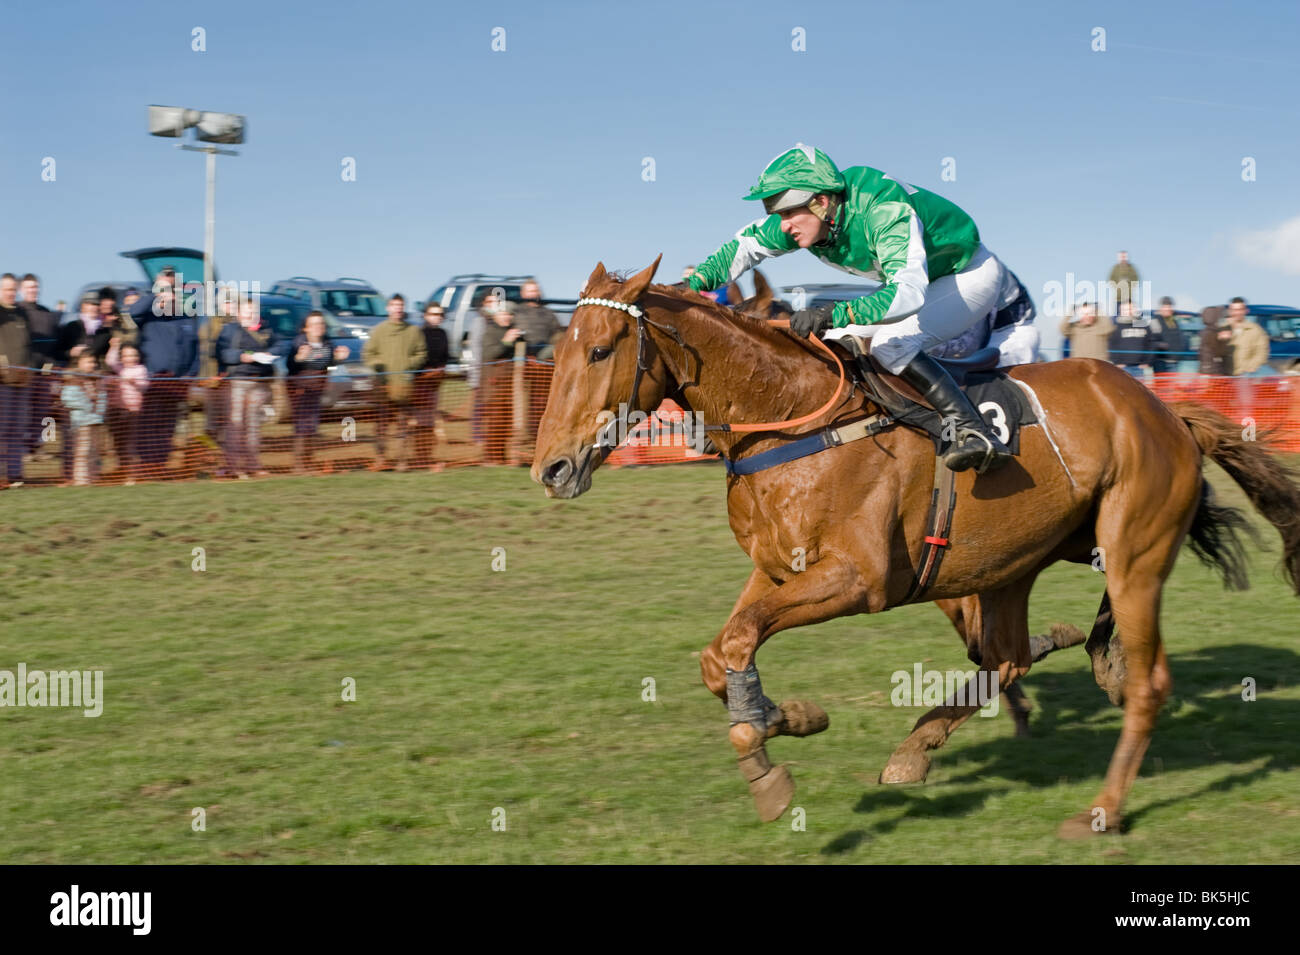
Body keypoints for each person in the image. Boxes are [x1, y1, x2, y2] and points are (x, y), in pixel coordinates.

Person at [686, 144, 1018, 472]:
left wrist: (833, 313)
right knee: (832, 345)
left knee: (892, 343)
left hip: (968, 275)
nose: (783, 225)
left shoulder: (881, 207)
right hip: (924, 280)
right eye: (777, 215)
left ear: (821, 201)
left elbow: (907, 293)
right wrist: (692, 286)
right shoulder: (811, 214)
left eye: (787, 213)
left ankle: (971, 431)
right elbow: (743, 247)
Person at [131, 277, 199, 472]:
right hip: (153, 381)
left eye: (174, 293)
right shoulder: (149, 315)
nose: (171, 297)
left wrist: (191, 374)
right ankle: (146, 464)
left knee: (167, 425)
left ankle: (160, 463)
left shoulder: (187, 318)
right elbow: (132, 312)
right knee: (148, 424)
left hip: (177, 383)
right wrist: (155, 295)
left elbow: (195, 349)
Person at [217, 296, 284, 478]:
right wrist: (242, 356)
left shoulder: (266, 329)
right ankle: (234, 466)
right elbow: (222, 353)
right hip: (237, 383)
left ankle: (253, 465)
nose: (252, 315)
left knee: (253, 426)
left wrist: (270, 353)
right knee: (235, 425)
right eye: (248, 312)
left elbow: (280, 345)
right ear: (239, 313)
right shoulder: (229, 330)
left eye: (254, 311)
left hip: (259, 383)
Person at [362, 294, 426, 470]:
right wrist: (377, 365)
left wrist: (409, 364)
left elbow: (422, 353)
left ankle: (401, 460)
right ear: (388, 308)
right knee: (381, 424)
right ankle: (381, 458)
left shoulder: (414, 331)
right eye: (394, 305)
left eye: (400, 305)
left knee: (403, 424)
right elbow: (368, 354)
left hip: (404, 386)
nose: (397, 308)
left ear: (404, 308)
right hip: (383, 385)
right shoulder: (379, 330)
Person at [286, 310, 348, 473]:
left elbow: (329, 366)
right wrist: (299, 358)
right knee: (302, 426)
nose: (318, 327)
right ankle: (299, 465)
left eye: (321, 323)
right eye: (313, 324)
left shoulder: (328, 344)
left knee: (312, 426)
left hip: (317, 390)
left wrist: (339, 360)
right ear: (305, 328)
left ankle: (308, 461)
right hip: (300, 390)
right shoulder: (299, 343)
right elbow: (290, 366)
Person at [512, 281, 563, 445]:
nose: (533, 293)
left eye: (535, 290)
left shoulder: (548, 314)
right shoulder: (516, 312)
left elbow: (557, 334)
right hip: (521, 365)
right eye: (530, 291)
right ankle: (521, 437)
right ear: (523, 294)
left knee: (541, 402)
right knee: (521, 403)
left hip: (543, 367)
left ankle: (541, 435)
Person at [479, 298, 524, 465]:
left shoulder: (514, 332)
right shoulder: (489, 333)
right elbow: (491, 353)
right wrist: (507, 340)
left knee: (506, 423)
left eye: (509, 314)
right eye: (503, 313)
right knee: (494, 423)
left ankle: (501, 456)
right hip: (493, 386)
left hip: (509, 386)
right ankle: (491, 458)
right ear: (495, 315)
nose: (506, 317)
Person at [19, 274, 59, 455]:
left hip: (44, 373)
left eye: (35, 286)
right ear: (21, 290)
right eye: (28, 287)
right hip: (21, 372)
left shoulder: (47, 314)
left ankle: (41, 446)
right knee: (21, 412)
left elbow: (53, 343)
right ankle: (21, 447)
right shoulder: (16, 312)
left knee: (45, 412)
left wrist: (50, 363)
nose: (32, 290)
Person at [0, 273, 32, 488]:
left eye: (13, 289)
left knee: (16, 429)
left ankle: (15, 474)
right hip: (2, 381)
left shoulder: (22, 313)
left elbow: (28, 344)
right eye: (6, 289)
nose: (10, 293)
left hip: (22, 380)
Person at [59, 351, 108, 486]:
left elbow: (102, 398)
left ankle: (93, 476)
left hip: (96, 421)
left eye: (93, 362)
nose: (91, 365)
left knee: (94, 451)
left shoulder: (97, 380)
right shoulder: (73, 380)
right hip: (81, 422)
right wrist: (87, 405)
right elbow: (67, 399)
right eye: (88, 361)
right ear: (79, 362)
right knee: (82, 451)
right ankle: (81, 479)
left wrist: (99, 412)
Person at [105, 340, 149, 484]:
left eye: (133, 355)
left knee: (130, 444)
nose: (130, 358)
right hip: (119, 411)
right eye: (126, 356)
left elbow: (144, 386)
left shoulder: (141, 369)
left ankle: (131, 475)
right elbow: (110, 361)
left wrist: (134, 383)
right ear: (122, 358)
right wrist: (114, 346)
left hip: (133, 412)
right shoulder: (121, 369)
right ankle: (122, 471)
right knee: (119, 443)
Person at [412, 302, 450, 471]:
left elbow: (446, 356)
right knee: (421, 421)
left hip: (435, 383)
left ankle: (425, 456)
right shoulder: (419, 333)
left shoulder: (443, 334)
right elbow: (417, 357)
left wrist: (440, 370)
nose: (437, 317)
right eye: (433, 314)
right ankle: (420, 458)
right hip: (420, 383)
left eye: (439, 314)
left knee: (429, 421)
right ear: (426, 316)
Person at [1108, 301, 1160, 378]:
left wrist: (1148, 362)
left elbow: (1151, 344)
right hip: (1123, 368)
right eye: (1125, 310)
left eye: (1131, 309)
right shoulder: (1117, 326)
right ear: (1121, 311)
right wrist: (1117, 362)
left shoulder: (1143, 324)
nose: (1128, 312)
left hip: (1140, 368)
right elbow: (1112, 345)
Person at [1107, 250, 1139, 315]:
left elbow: (1136, 279)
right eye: (1121, 256)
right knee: (1118, 314)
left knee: (1131, 313)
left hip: (1129, 297)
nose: (1123, 258)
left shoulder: (1131, 268)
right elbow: (1111, 279)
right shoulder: (1115, 268)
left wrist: (1130, 287)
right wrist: (1117, 287)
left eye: (1124, 256)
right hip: (1119, 297)